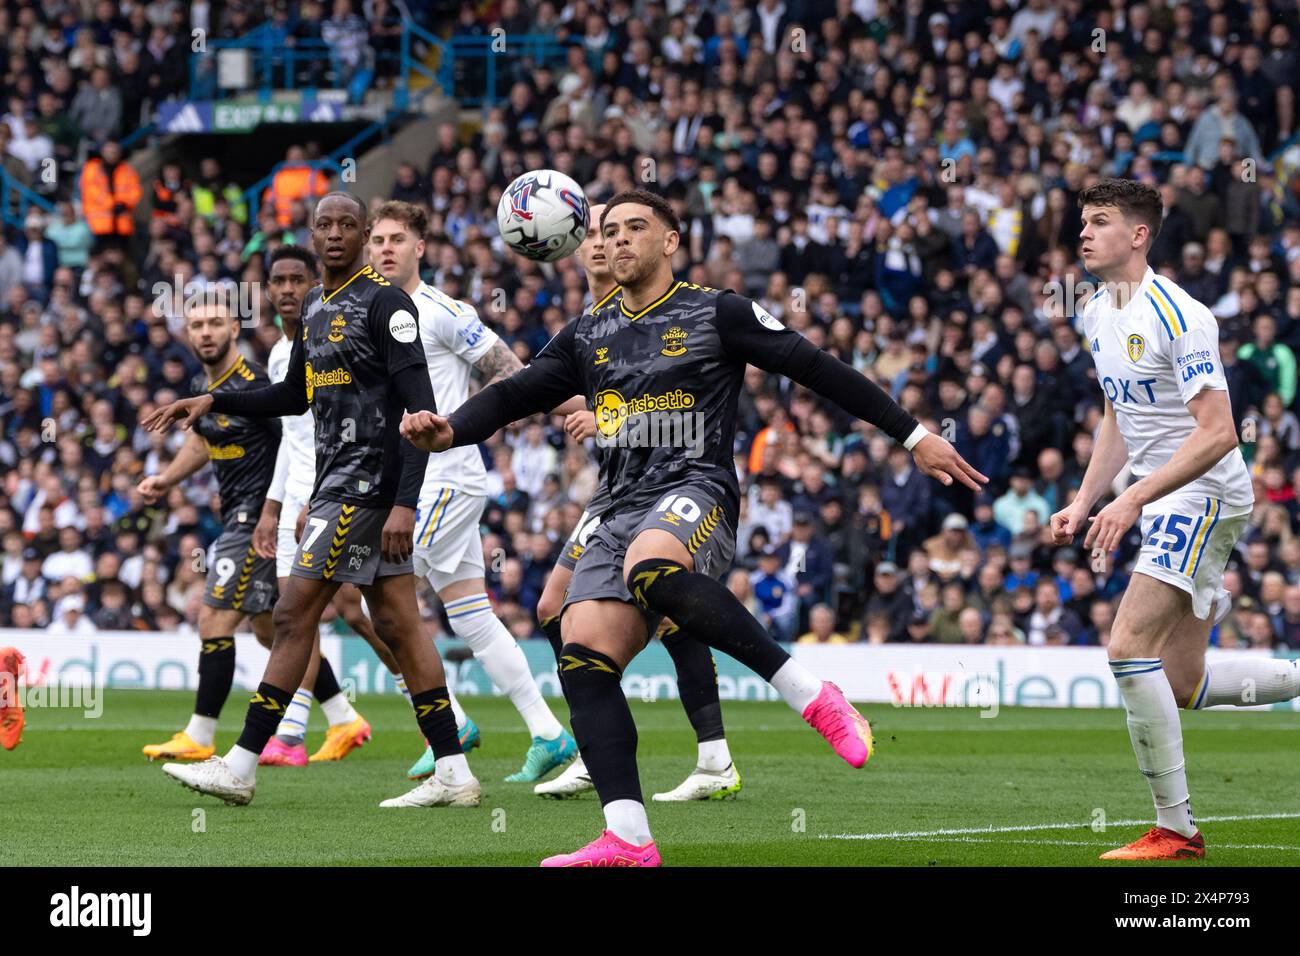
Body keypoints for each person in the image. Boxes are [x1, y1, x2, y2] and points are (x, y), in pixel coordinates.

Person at [403, 189, 986, 865]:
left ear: (670, 240)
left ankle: (812, 695)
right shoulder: (587, 333)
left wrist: (912, 435)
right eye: (608, 231)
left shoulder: (718, 311)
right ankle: (628, 837)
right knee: (581, 652)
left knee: (651, 570)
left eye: (634, 229)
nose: (618, 241)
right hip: (617, 504)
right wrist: (450, 430)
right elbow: (512, 394)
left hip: (694, 488)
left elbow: (817, 368)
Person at [142, 192, 480, 809]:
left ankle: (240, 765)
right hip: (336, 487)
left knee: (293, 615)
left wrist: (405, 503)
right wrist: (212, 401)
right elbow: (291, 396)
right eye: (324, 224)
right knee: (400, 626)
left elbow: (421, 412)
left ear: (361, 236)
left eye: (348, 226)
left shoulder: (388, 304)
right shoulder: (320, 311)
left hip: (365, 489)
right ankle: (455, 772)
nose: (334, 235)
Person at [1057, 177, 1299, 861]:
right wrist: (1085, 498)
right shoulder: (1097, 311)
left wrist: (1130, 499)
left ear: (1138, 235)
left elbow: (1220, 430)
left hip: (1205, 493)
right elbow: (1117, 417)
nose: (1084, 232)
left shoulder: (1179, 313)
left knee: (1127, 647)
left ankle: (1177, 831)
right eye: (1082, 221)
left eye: (1099, 221)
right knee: (1182, 682)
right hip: (1167, 494)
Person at [534, 202, 744, 802]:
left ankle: (713, 755)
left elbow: (662, 401)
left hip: (673, 476)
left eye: (617, 231)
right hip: (617, 487)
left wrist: (607, 420)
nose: (603, 242)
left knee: (665, 595)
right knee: (553, 605)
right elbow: (542, 385)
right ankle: (596, 736)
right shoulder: (589, 322)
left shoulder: (667, 308)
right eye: (594, 232)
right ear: (575, 246)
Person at [367, 200, 578, 791]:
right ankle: (546, 733)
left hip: (443, 475)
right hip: (409, 479)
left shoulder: (441, 311)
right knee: (471, 616)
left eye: (396, 239)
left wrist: (573, 404)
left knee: (376, 597)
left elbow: (508, 370)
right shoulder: (366, 311)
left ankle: (449, 730)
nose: (384, 248)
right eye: (377, 239)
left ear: (420, 248)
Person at [250, 244, 413, 768]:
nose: (290, 290)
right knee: (331, 612)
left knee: (303, 613)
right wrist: (276, 504)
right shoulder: (285, 352)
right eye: (279, 281)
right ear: (269, 290)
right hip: (313, 492)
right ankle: (339, 719)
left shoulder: (364, 317)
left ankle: (281, 738)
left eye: (299, 279)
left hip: (345, 492)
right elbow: (293, 439)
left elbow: (402, 410)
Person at [138, 294, 280, 762]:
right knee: (269, 629)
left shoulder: (255, 383)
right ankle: (344, 717)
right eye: (196, 324)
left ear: (233, 330)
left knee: (213, 618)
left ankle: (200, 735)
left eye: (215, 323)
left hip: (255, 518)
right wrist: (166, 479)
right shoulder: (205, 385)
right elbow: (201, 443)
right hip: (239, 514)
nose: (204, 332)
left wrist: (275, 510)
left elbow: (293, 445)